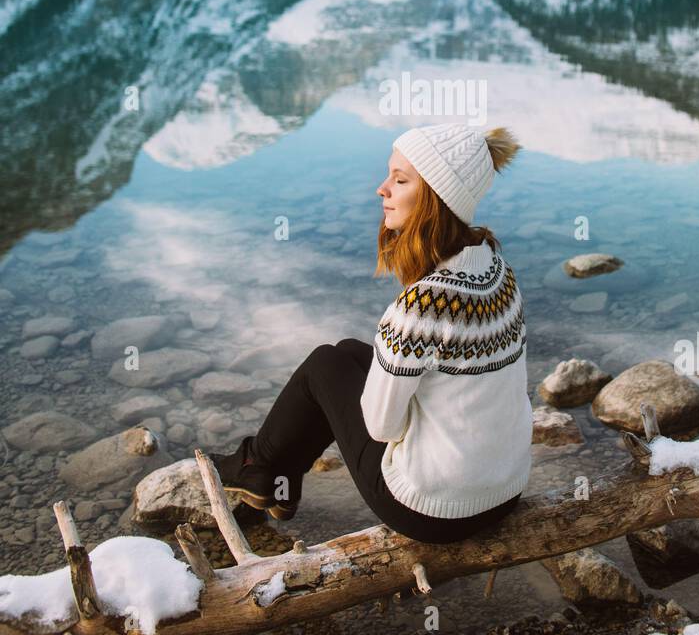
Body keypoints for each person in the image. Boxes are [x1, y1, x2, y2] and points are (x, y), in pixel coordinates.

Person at [209, 122, 533, 545]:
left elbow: (381, 427)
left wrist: (407, 420)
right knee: (349, 353)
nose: (382, 189)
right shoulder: (497, 270)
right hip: (504, 490)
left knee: (324, 366)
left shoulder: (421, 306)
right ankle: (275, 474)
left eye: (399, 181)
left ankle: (259, 465)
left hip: (431, 511)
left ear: (436, 200)